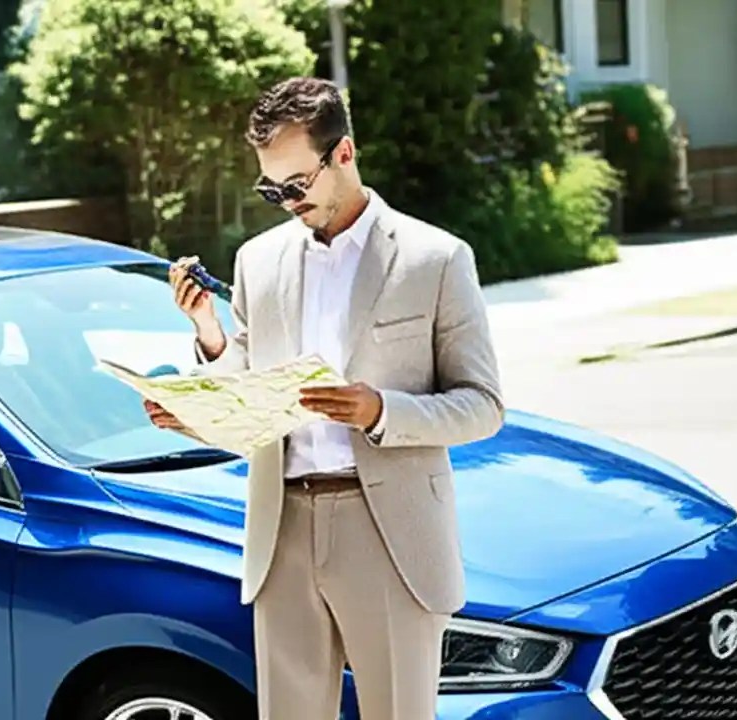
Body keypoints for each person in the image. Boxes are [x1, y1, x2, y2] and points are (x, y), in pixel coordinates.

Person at [145, 76, 505, 719]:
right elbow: (251, 383)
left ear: (343, 153)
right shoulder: (257, 261)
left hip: (386, 528)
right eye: (270, 188)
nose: (284, 201)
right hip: (281, 526)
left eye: (296, 184)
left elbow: (483, 405)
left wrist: (381, 411)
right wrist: (206, 348)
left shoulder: (436, 259)